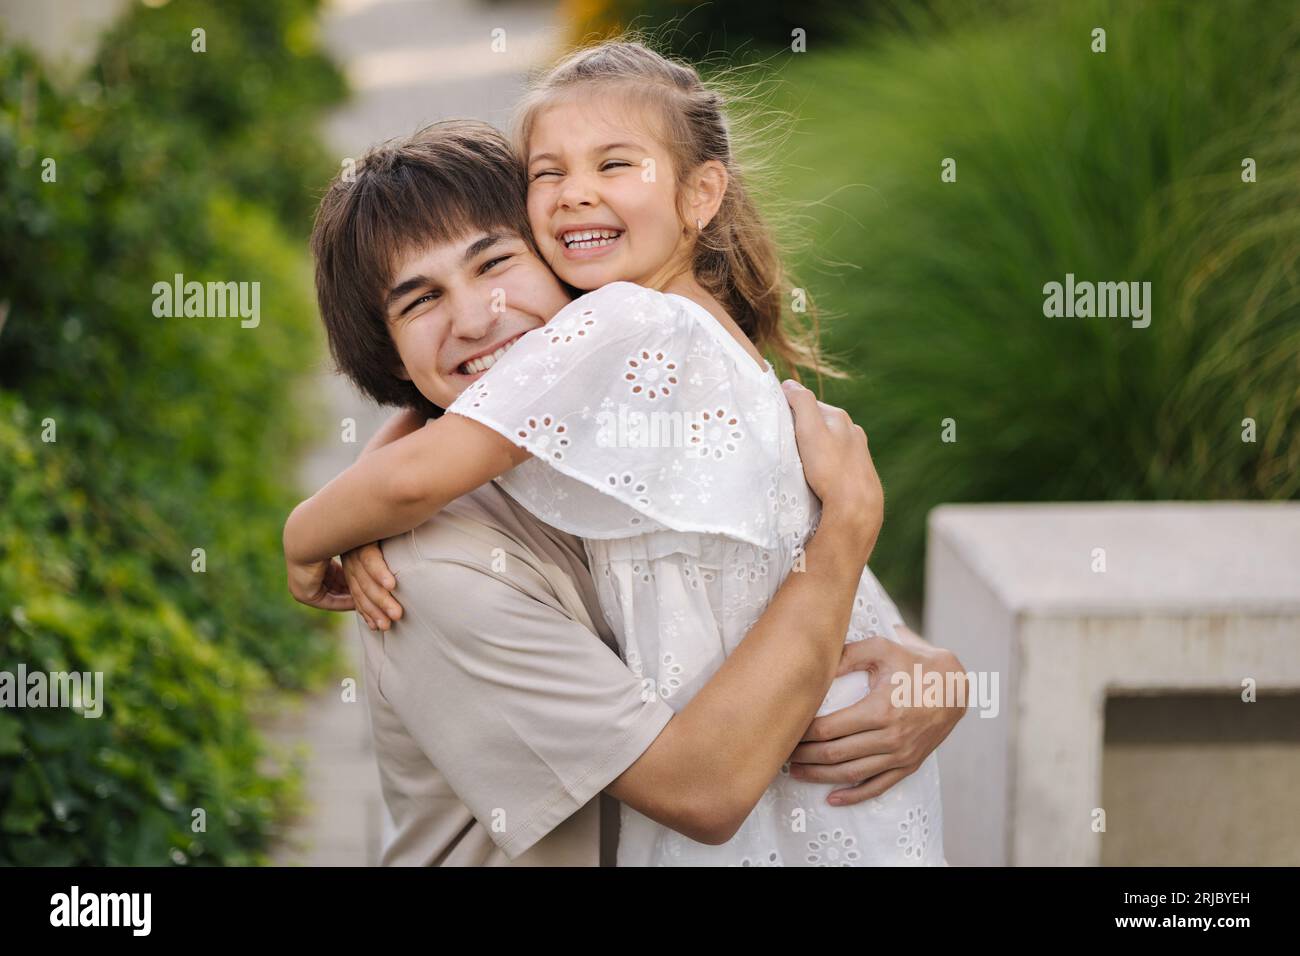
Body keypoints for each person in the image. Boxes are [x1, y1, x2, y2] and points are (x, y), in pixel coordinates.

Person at [291, 111, 963, 865]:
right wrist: (848, 527)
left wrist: (929, 677)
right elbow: (706, 791)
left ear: (564, 260)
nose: (479, 317)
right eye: (420, 302)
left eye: (495, 264)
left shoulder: (642, 426)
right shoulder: (433, 572)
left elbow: (820, 600)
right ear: (388, 353)